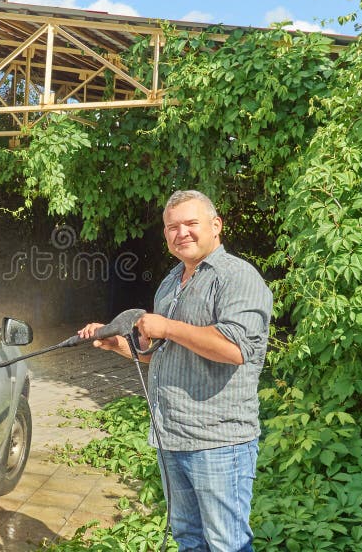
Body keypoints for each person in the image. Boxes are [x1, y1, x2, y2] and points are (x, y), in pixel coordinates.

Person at [79, 190, 273, 552]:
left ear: (216, 226)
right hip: (171, 437)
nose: (180, 232)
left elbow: (235, 349)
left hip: (218, 442)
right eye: (172, 227)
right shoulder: (172, 281)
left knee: (226, 543)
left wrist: (166, 327)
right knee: (188, 539)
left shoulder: (237, 277)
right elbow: (164, 354)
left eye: (190, 223)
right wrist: (119, 345)